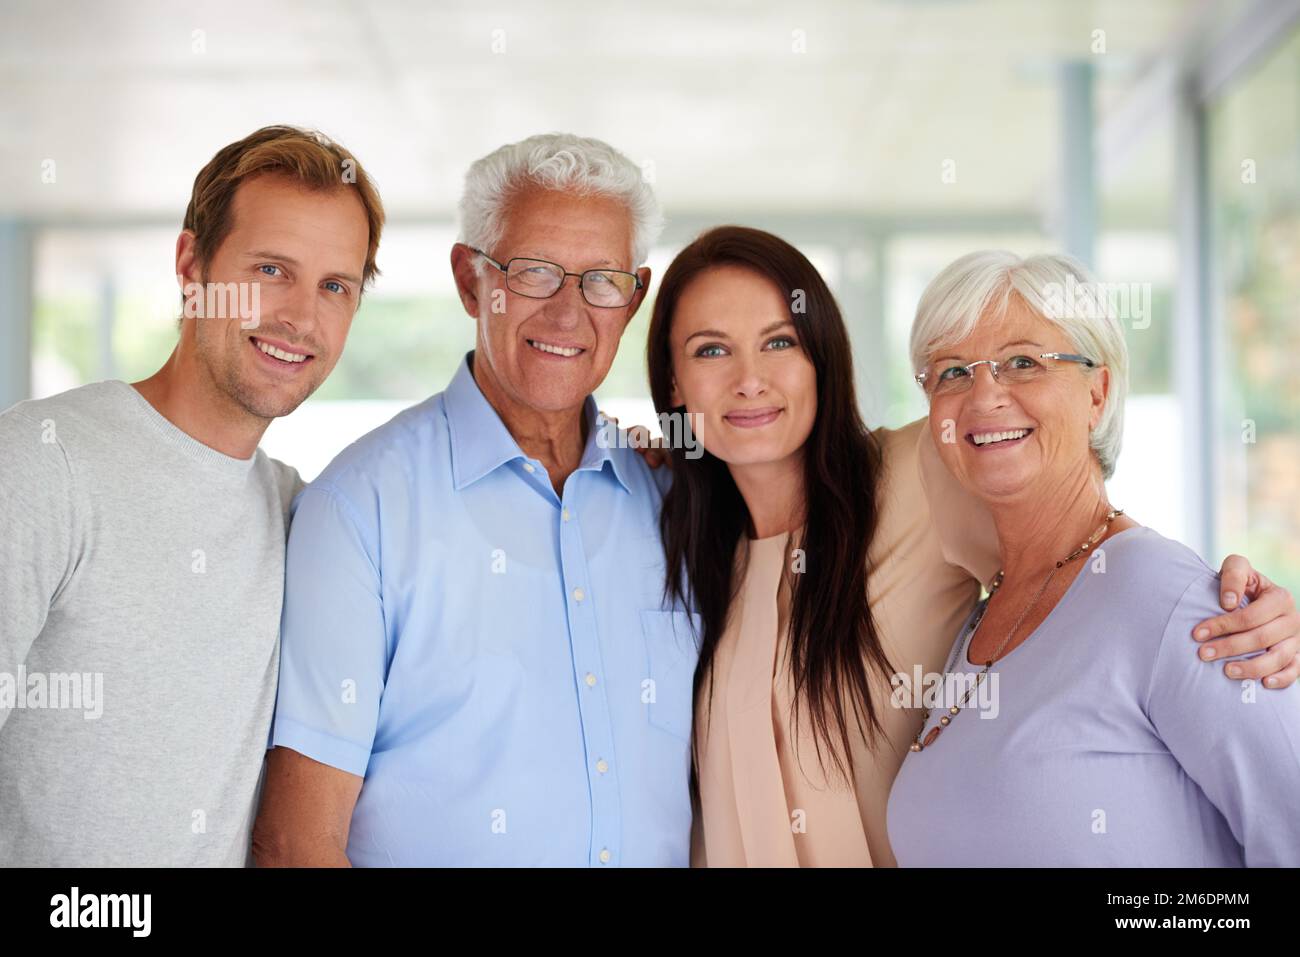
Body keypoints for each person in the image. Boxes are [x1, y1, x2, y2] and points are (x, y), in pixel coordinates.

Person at [642, 226, 1300, 866]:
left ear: (821, 354)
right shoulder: (672, 530)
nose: (749, 379)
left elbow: (1073, 520)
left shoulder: (919, 468)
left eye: (779, 340)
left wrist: (1229, 597)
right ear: (672, 383)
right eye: (709, 350)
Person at [253, 134, 696, 866]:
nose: (567, 313)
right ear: (470, 280)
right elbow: (296, 842)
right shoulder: (360, 509)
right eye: (534, 273)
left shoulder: (675, 498)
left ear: (634, 296)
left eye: (601, 280)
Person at [0, 125, 384, 865]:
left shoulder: (299, 515)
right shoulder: (43, 463)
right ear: (190, 264)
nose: (302, 318)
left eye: (335, 286)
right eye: (272, 269)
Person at [886, 250, 1300, 865]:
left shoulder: (1174, 603)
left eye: (1023, 362)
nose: (984, 396)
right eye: (951, 372)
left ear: (1097, 393)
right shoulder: (977, 618)